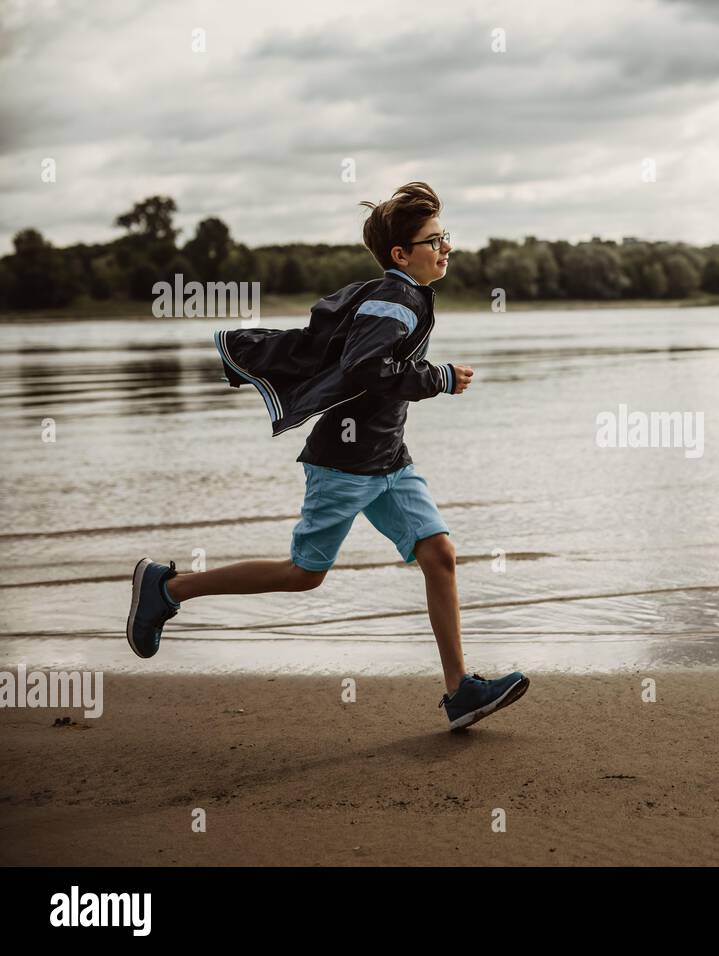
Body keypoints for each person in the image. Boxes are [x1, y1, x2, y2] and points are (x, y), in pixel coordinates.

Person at [126, 182, 528, 731]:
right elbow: (367, 368)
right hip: (344, 464)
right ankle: (167, 589)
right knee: (302, 575)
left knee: (439, 554)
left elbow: (367, 368)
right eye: (435, 240)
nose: (446, 248)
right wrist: (437, 377)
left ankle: (460, 691)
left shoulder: (400, 295)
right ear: (401, 255)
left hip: (389, 460)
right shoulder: (396, 300)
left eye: (445, 237)